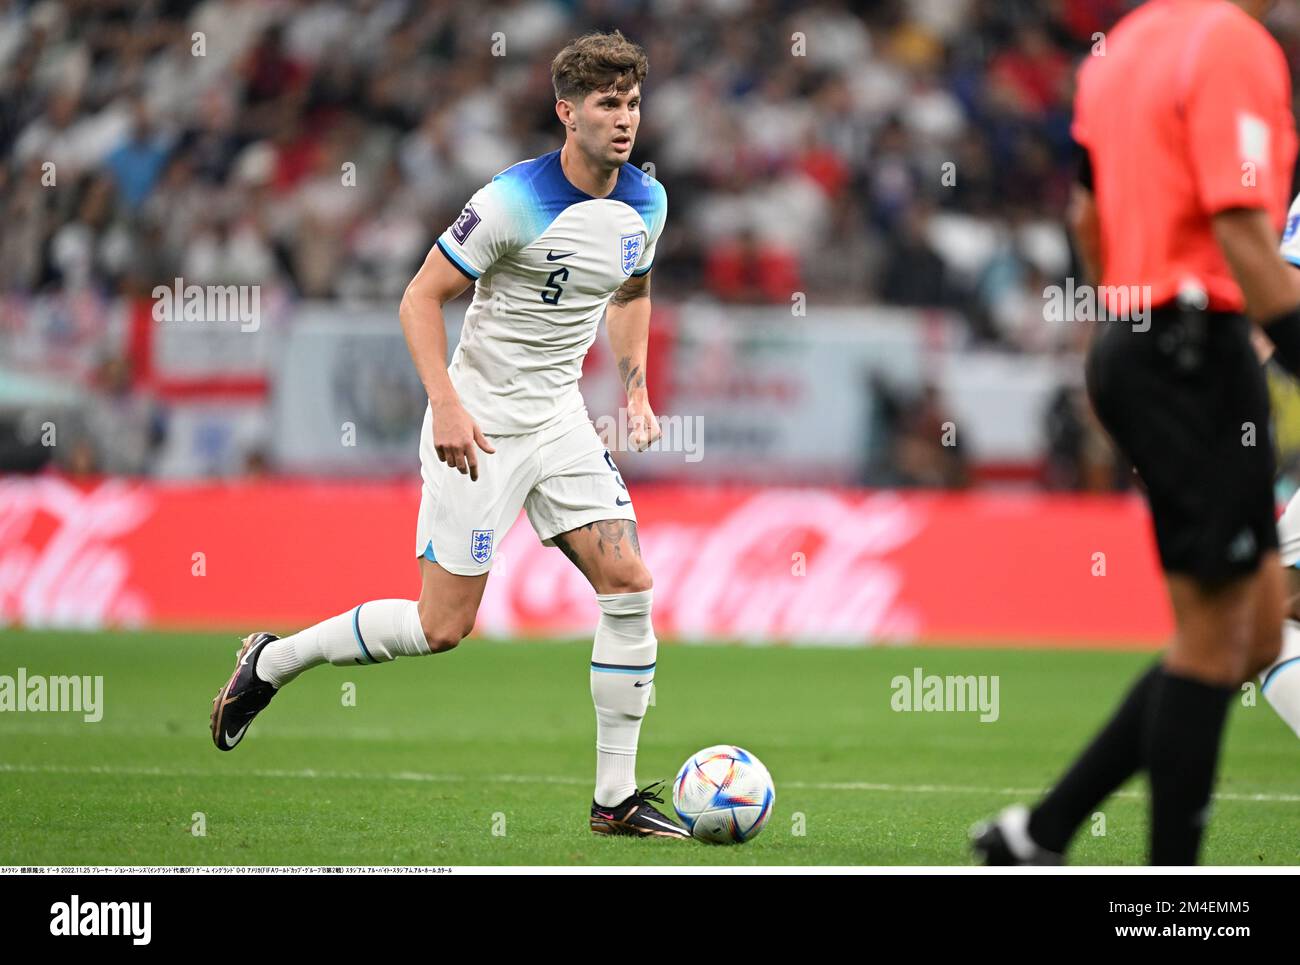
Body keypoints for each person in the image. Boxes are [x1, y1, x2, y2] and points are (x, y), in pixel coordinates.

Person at [210, 30, 689, 839]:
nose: (625, 119)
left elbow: (631, 292)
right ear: (567, 112)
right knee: (443, 629)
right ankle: (271, 660)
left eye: (633, 103)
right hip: (481, 423)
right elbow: (418, 299)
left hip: (560, 418)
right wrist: (446, 404)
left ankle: (614, 800)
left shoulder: (648, 200)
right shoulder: (511, 200)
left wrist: (637, 389)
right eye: (608, 104)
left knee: (631, 584)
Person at [973, 0, 1300, 864]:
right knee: (1215, 635)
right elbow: (1241, 228)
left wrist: (1131, 323)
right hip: (1196, 347)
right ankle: (1170, 899)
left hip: (1140, 338)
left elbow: (1085, 214)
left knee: (1256, 629)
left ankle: (1039, 834)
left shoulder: (1121, 48)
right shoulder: (1234, 44)